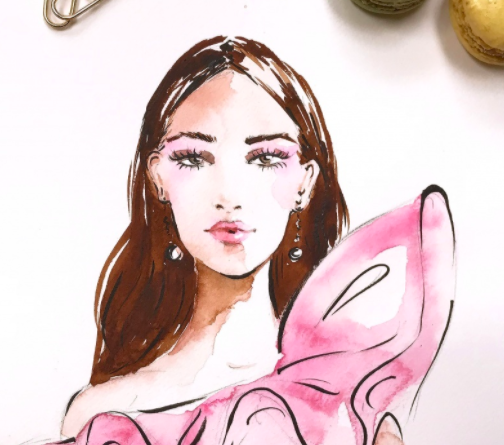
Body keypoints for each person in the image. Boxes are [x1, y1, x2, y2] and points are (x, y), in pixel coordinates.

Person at [56, 37, 455, 445]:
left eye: (266, 159)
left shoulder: (349, 399)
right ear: (158, 177)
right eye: (193, 158)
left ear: (305, 182)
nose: (229, 195)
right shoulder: (102, 415)